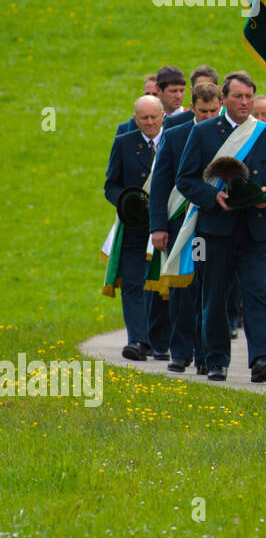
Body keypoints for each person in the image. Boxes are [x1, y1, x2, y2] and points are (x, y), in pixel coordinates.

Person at [174, 71, 266, 383]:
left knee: (257, 293)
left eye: (249, 96)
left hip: (256, 228)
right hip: (215, 229)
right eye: (238, 96)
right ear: (224, 99)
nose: (245, 102)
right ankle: (216, 360)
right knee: (215, 297)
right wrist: (213, 197)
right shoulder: (204, 133)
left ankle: (261, 358)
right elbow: (185, 179)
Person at [149, 82, 222, 373]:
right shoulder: (176, 135)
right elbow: (160, 184)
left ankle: (207, 356)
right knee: (183, 289)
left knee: (210, 289)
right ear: (192, 108)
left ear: (221, 107)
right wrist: (158, 227)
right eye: (203, 111)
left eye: (213, 111)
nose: (208, 117)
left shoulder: (229, 135)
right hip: (182, 225)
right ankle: (180, 352)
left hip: (215, 224)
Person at [103, 95, 166, 360]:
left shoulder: (175, 140)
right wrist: (128, 203)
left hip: (167, 224)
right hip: (135, 226)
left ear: (163, 116)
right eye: (144, 118)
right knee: (132, 283)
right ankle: (138, 341)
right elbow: (111, 185)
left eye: (154, 117)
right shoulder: (124, 143)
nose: (150, 122)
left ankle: (162, 342)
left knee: (165, 284)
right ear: (135, 119)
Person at [116, 67, 186, 135]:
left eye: (155, 94)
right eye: (147, 94)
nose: (150, 98)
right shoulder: (128, 127)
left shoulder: (189, 118)